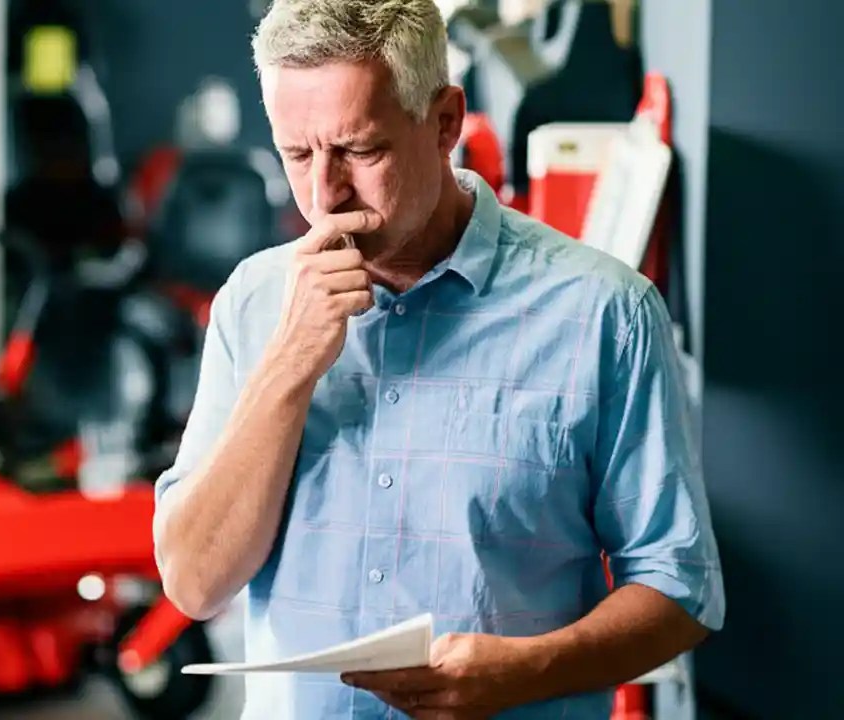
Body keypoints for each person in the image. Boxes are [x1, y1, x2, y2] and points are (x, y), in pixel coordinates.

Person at [151, 0, 725, 717]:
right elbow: (195, 582)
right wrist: (288, 368)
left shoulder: (604, 313)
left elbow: (682, 589)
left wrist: (530, 670)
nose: (325, 195)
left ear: (446, 122)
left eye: (360, 151)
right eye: (297, 154)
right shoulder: (255, 302)